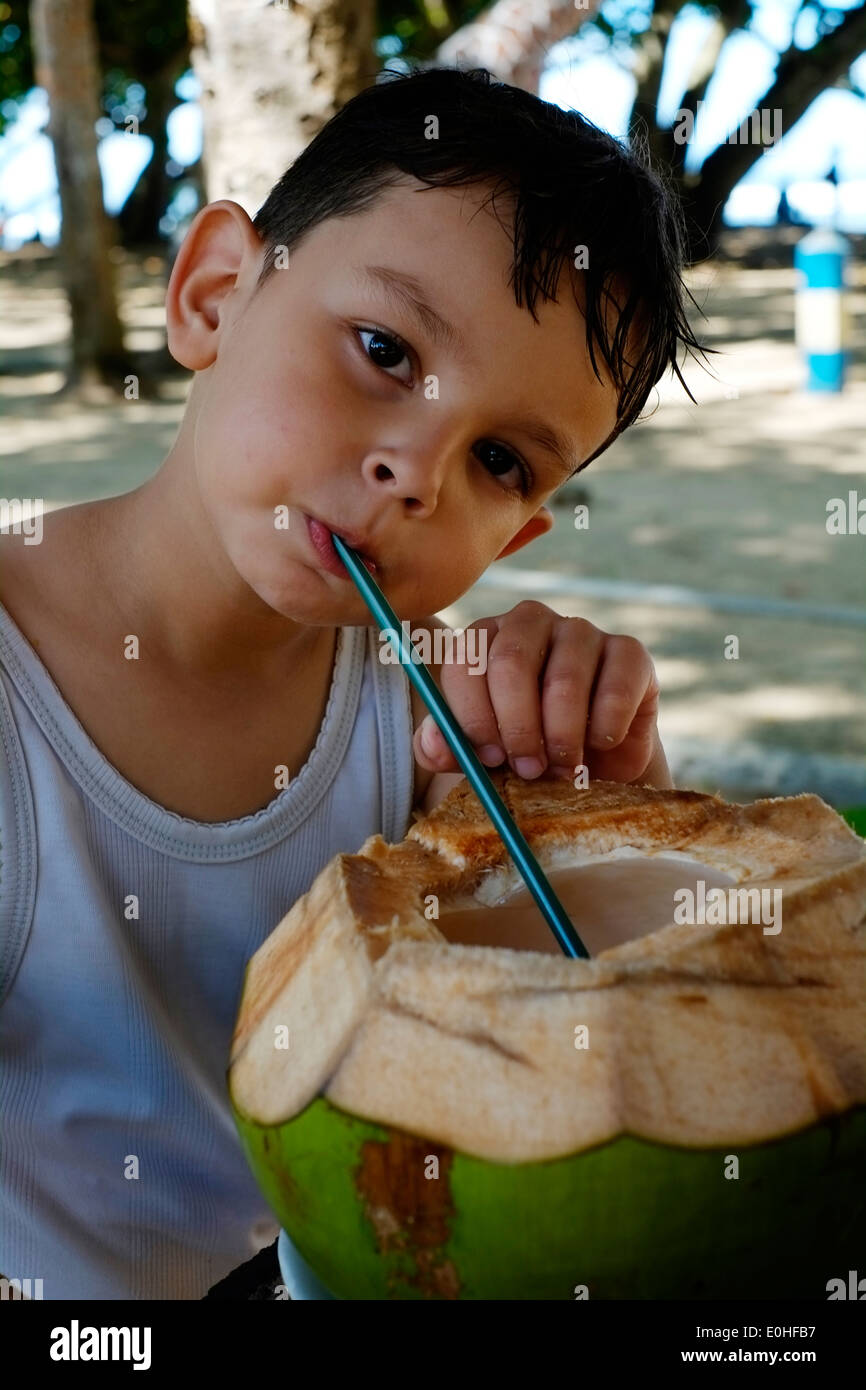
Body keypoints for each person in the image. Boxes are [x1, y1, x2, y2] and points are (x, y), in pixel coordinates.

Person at [0, 66, 705, 1300]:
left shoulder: (442, 742)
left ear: (515, 540)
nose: (413, 474)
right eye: (383, 349)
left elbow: (600, 1073)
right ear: (215, 294)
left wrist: (597, 823)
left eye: (497, 459)